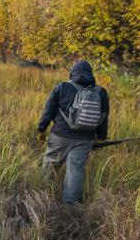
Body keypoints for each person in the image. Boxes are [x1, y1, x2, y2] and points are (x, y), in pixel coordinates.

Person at [37, 60, 109, 204]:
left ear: (72, 73)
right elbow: (104, 116)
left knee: (50, 165)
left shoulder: (62, 87)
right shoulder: (100, 92)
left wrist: (41, 129)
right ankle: (69, 205)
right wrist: (101, 137)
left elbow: (49, 111)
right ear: (91, 75)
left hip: (60, 136)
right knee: (75, 170)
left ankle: (41, 197)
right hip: (86, 139)